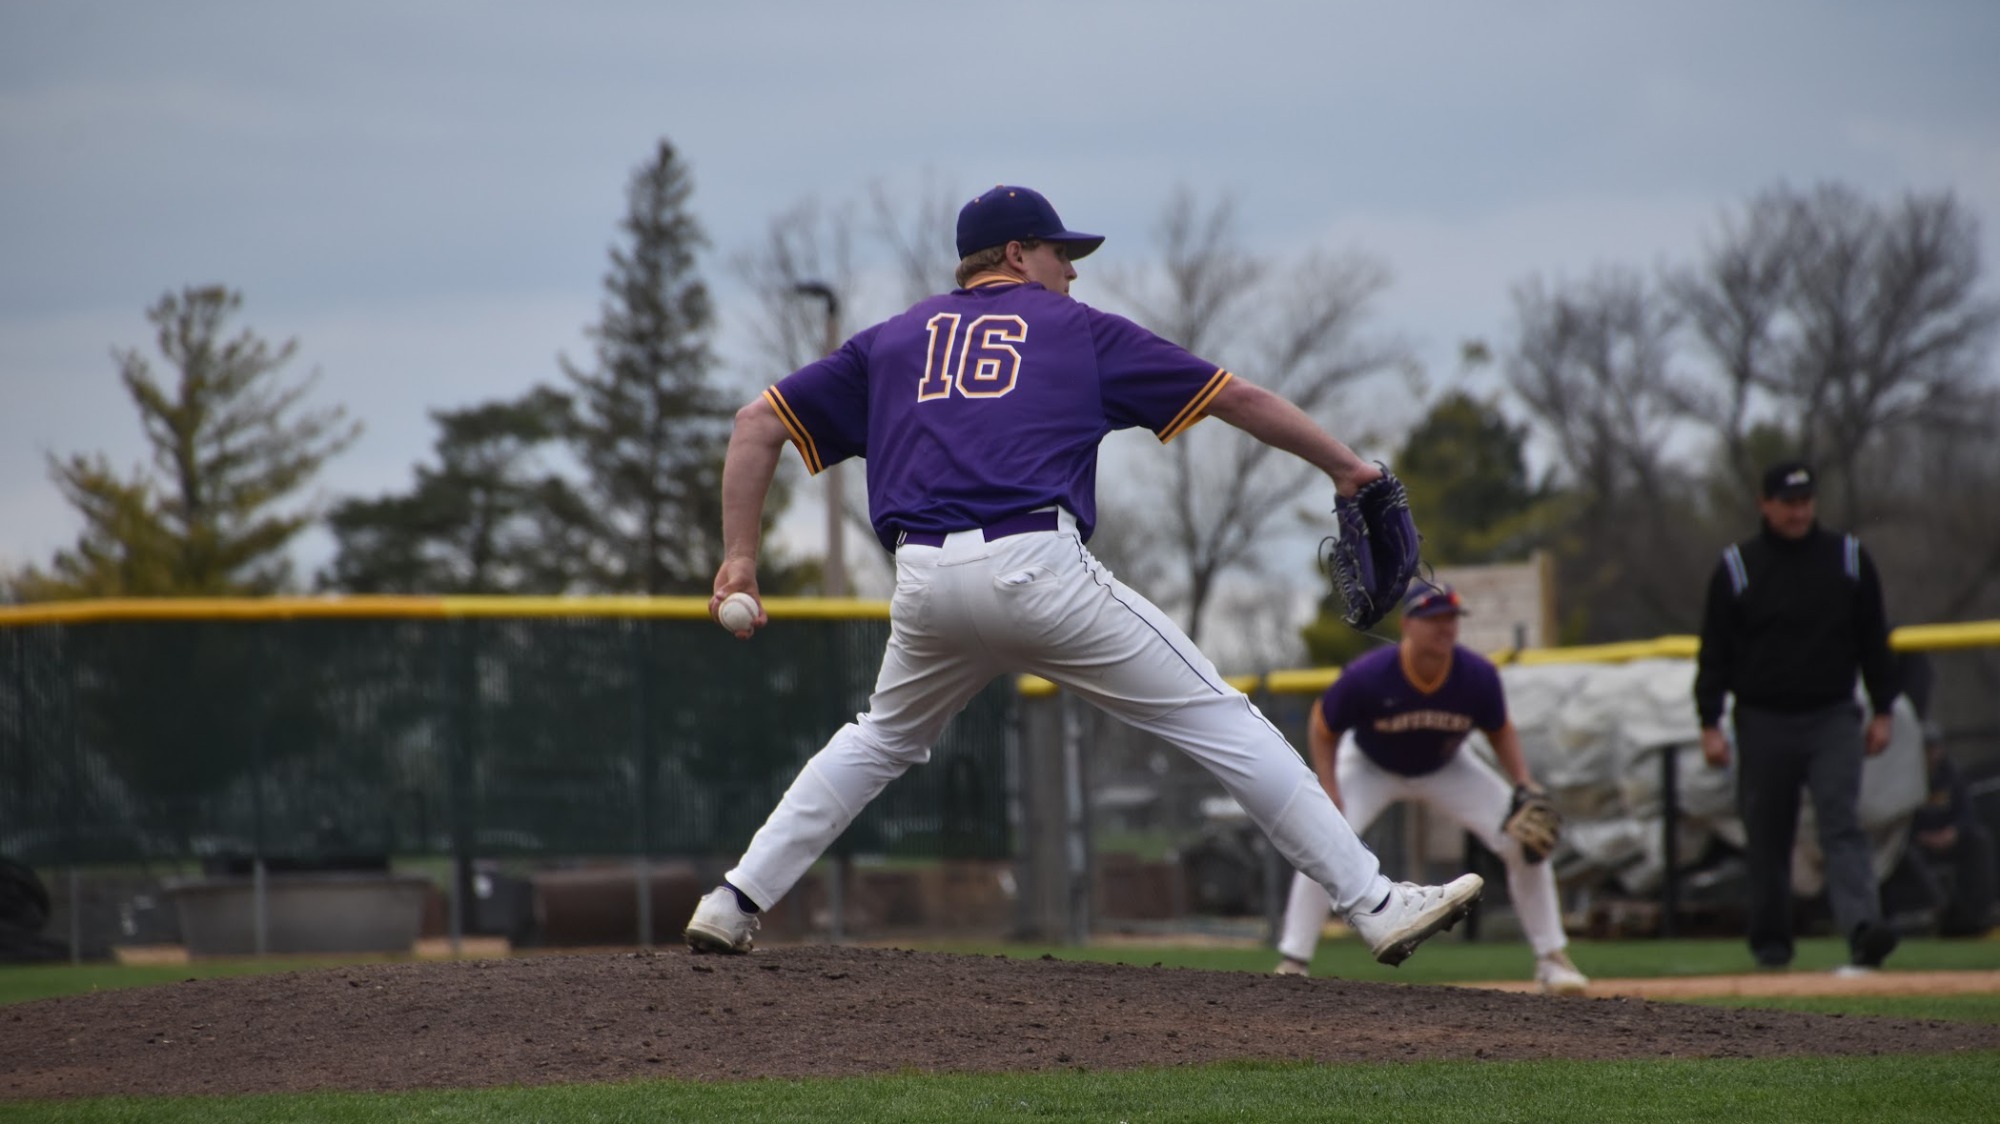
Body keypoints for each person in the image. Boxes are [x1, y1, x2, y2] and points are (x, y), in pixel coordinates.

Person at [683, 184, 1482, 963]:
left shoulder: (891, 342)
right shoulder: (1077, 331)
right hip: (1037, 569)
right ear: (1017, 254)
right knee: (1221, 721)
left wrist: (741, 557)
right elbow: (1235, 397)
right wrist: (1347, 468)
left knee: (879, 739)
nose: (1073, 271)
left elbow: (757, 422)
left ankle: (733, 901)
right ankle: (1374, 905)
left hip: (924, 582)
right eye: (1061, 253)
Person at [1270, 581, 1590, 994]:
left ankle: (1553, 960)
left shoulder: (1476, 676)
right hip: (1370, 765)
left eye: (1452, 619)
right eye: (1434, 618)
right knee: (1324, 842)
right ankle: (1294, 960)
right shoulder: (1370, 676)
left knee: (1523, 840)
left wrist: (1523, 782)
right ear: (1408, 624)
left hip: (1446, 767)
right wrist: (1330, 787)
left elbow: (1500, 730)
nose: (1446, 628)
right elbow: (1323, 724)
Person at [1694, 460, 1901, 972]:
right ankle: (1771, 948)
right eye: (1788, 502)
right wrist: (1709, 721)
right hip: (1763, 719)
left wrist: (1884, 709)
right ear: (1766, 504)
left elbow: (1875, 640)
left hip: (1833, 714)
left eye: (1806, 501)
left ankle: (1862, 933)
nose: (1798, 511)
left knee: (1841, 824)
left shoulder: (1848, 558)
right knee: (1767, 834)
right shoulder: (1739, 567)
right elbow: (1714, 652)